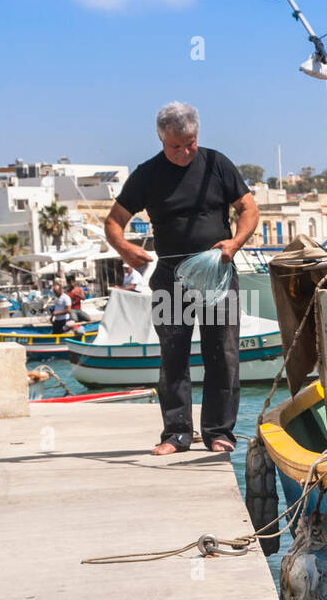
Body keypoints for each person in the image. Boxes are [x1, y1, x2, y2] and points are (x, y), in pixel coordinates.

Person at [104, 101, 259, 456]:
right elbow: (113, 222)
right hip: (171, 277)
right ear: (161, 138)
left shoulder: (217, 164)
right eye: (176, 145)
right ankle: (176, 434)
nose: (184, 151)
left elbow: (249, 209)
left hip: (217, 275)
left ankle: (219, 432)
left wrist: (235, 243)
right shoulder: (147, 174)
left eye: (190, 143)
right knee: (173, 354)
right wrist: (126, 249)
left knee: (223, 352)